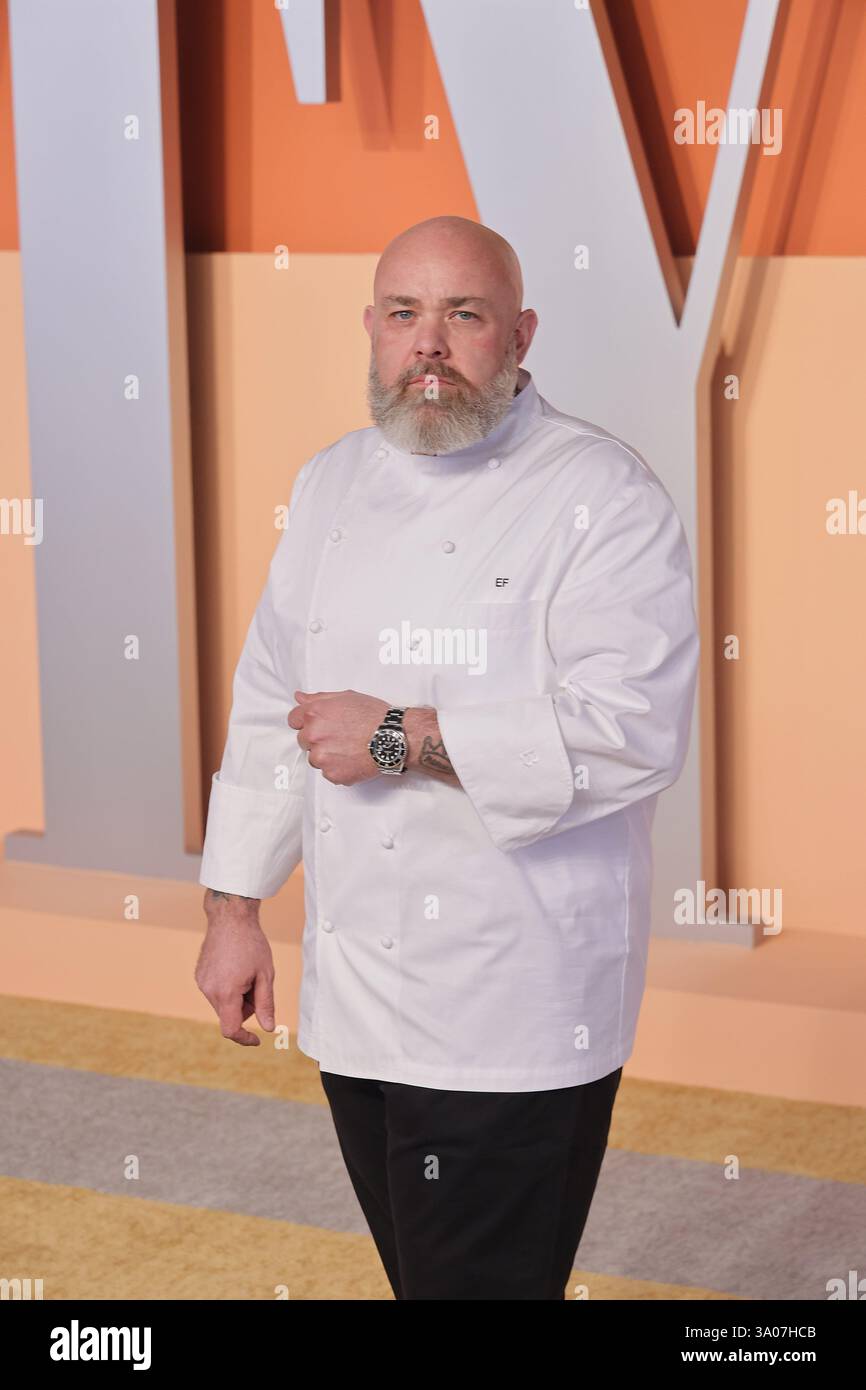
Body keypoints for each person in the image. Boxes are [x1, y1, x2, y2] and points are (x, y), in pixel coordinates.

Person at [195, 215, 700, 1300]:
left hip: (509, 1002)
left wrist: (398, 735)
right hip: (358, 998)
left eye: (463, 315)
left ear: (517, 334)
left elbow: (628, 728)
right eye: (403, 313)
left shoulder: (601, 497)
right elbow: (270, 704)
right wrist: (234, 906)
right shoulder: (328, 482)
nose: (429, 341)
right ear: (371, 331)